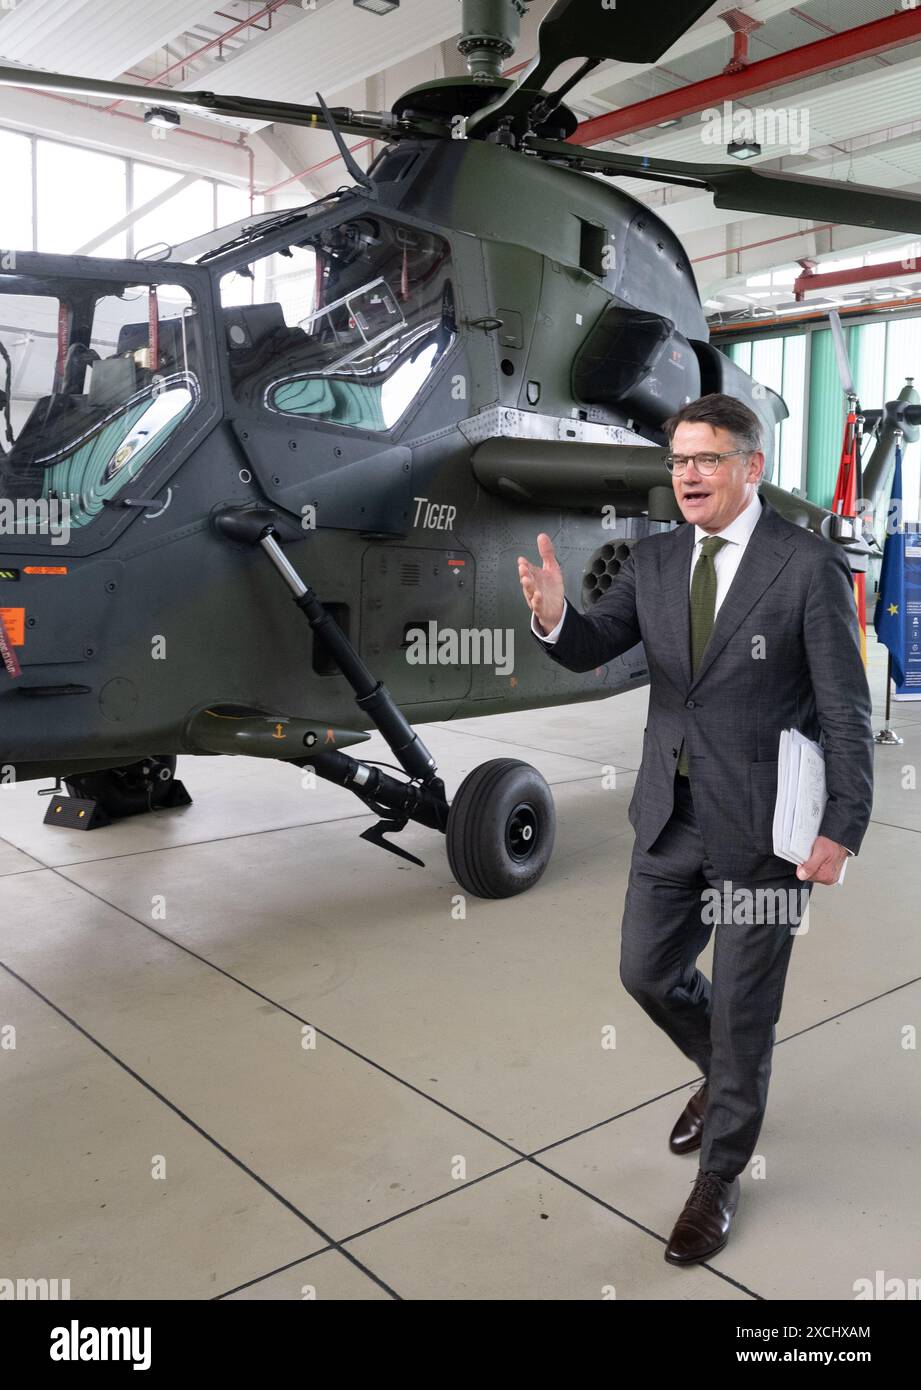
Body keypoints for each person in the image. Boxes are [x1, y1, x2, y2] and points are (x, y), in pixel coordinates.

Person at [518, 393, 874, 1265]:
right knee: (645, 970)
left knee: (745, 1011)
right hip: (668, 817)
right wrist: (556, 616)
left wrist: (842, 825)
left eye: (706, 459)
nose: (686, 475)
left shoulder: (803, 567)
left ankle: (718, 1177)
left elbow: (844, 710)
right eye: (678, 460)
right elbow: (591, 645)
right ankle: (723, 1081)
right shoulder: (654, 560)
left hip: (761, 834)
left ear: (750, 468)